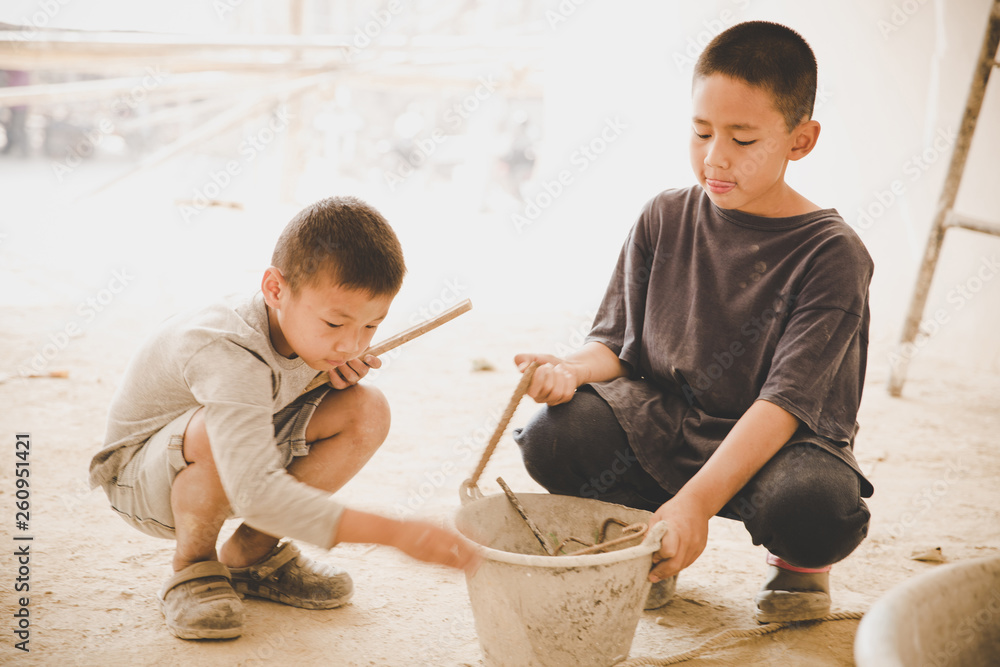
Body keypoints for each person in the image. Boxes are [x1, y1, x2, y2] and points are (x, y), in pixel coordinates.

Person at [512, 21, 873, 624]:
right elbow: (615, 346)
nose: (715, 157)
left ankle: (798, 567)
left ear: (800, 140)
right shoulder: (664, 216)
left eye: (742, 138)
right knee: (555, 431)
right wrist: (567, 370)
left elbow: (783, 406)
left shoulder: (833, 254)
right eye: (701, 131)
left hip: (779, 442)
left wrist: (696, 506)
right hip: (671, 422)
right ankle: (646, 541)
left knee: (816, 506)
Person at [90, 196, 479, 640]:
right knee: (214, 436)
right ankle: (193, 567)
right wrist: (396, 533)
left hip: (228, 461)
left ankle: (251, 558)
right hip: (142, 482)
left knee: (365, 410)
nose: (353, 344)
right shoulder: (225, 348)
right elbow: (257, 493)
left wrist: (320, 374)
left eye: (371, 326)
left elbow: (280, 399)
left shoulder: (303, 328)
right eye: (336, 324)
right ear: (275, 289)